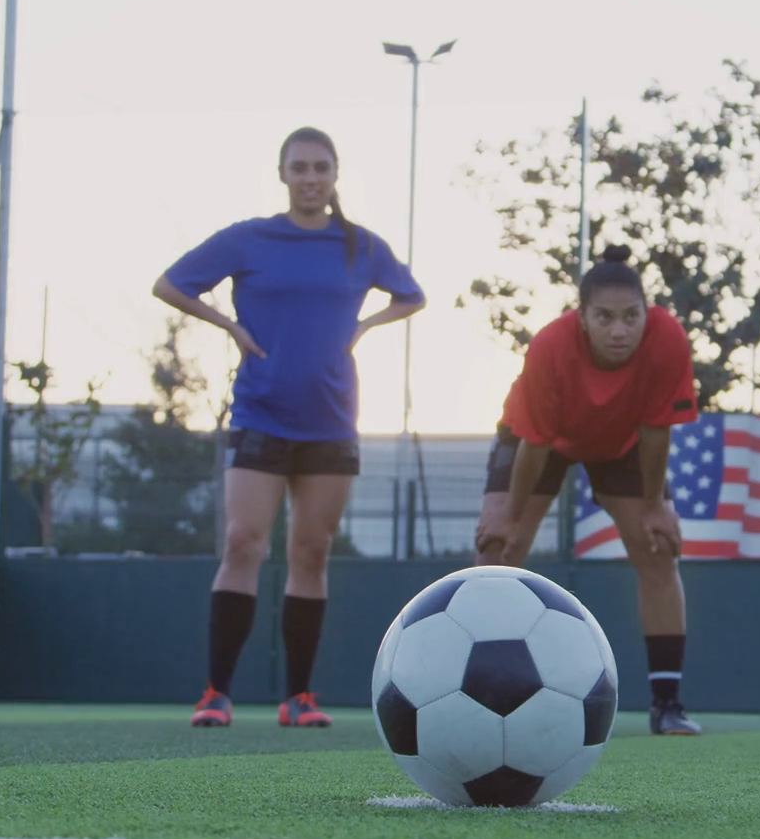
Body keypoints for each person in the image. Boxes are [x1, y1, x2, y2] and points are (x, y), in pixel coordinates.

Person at [154, 127, 425, 728]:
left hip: (332, 420)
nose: (310, 178)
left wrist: (365, 326)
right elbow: (170, 284)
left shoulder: (360, 246)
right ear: (282, 174)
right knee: (243, 542)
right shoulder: (250, 238)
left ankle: (300, 698)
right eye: (299, 167)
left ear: (335, 175)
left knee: (312, 551)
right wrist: (229, 326)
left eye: (321, 168)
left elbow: (412, 296)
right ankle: (216, 694)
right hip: (261, 412)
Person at [473, 245, 704, 736]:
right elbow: (536, 444)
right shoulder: (550, 346)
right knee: (497, 548)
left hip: (621, 440)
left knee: (659, 549)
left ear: (647, 312)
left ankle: (667, 704)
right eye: (605, 317)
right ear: (581, 317)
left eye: (631, 316)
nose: (619, 330)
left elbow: (656, 431)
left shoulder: (667, 338)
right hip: (539, 440)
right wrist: (510, 516)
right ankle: (474, 688)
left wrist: (654, 507)